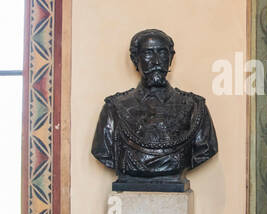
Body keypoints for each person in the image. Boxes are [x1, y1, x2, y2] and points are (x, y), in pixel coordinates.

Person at [91, 29, 218, 187]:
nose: (157, 61)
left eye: (162, 53)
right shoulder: (114, 108)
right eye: (148, 53)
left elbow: (205, 150)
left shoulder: (195, 107)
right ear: (134, 59)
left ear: (171, 58)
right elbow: (102, 152)